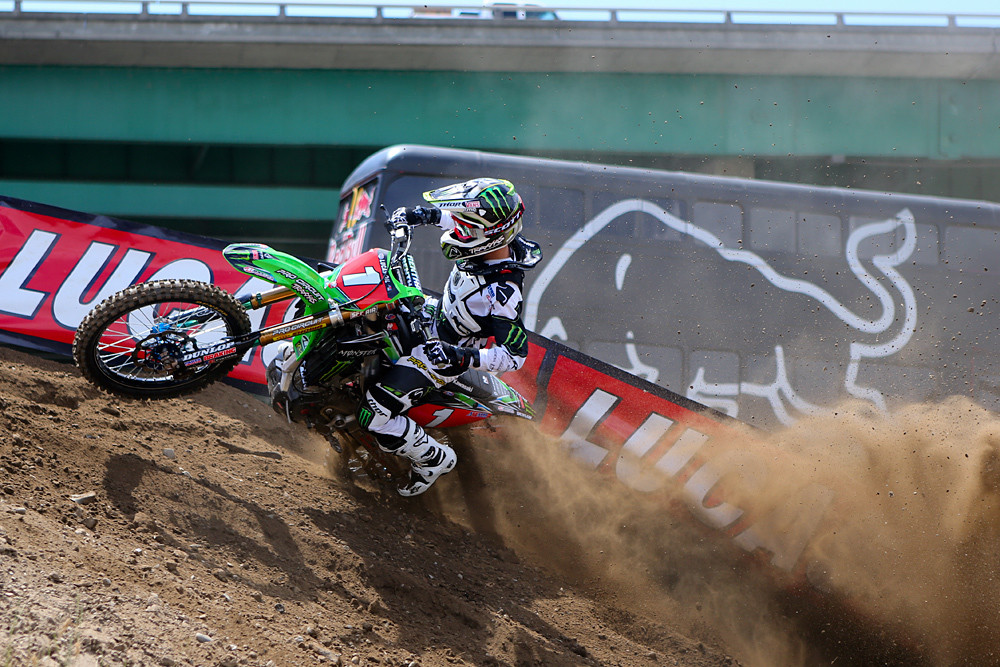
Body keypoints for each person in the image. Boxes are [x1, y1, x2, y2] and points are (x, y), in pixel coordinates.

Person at [358, 178, 542, 496]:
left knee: (374, 413)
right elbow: (460, 220)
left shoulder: (503, 293)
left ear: (491, 235)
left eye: (465, 228)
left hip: (442, 357)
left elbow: (516, 355)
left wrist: (463, 357)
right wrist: (419, 216)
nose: (457, 231)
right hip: (433, 317)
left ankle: (433, 459)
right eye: (460, 224)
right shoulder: (489, 237)